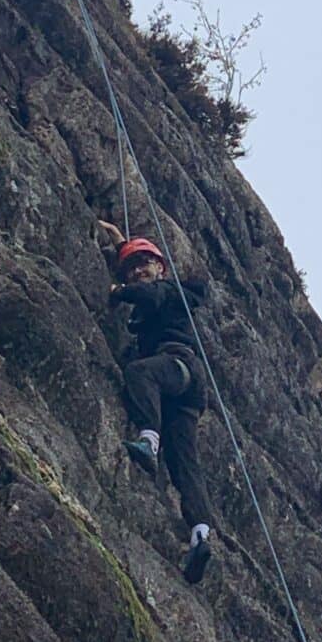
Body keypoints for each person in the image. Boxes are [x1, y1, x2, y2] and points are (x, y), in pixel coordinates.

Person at [98, 220, 213, 584]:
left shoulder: (168, 288)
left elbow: (149, 294)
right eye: (132, 268)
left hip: (177, 365)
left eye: (144, 263)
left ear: (160, 266)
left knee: (139, 373)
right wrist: (122, 249)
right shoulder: (166, 290)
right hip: (187, 392)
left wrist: (119, 291)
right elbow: (142, 285)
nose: (138, 271)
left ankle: (148, 439)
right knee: (183, 463)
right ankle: (200, 534)